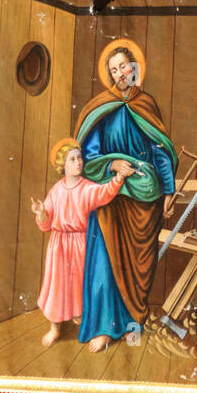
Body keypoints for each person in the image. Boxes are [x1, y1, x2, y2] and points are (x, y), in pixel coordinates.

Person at [76, 40, 177, 353]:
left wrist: (168, 191)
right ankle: (104, 328)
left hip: (144, 197)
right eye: (113, 69)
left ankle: (134, 322)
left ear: (135, 67)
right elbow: (89, 153)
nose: (119, 73)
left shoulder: (147, 104)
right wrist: (112, 163)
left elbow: (160, 152)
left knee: (139, 265)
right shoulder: (101, 107)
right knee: (106, 261)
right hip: (111, 195)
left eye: (123, 66)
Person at [30, 139, 133, 347]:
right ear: (63, 165)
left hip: (81, 244)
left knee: (78, 285)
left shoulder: (87, 188)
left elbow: (105, 193)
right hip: (59, 246)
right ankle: (54, 328)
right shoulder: (56, 191)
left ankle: (79, 317)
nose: (78, 162)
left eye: (80, 158)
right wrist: (41, 212)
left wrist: (120, 176)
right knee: (58, 286)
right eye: (72, 159)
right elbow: (46, 224)